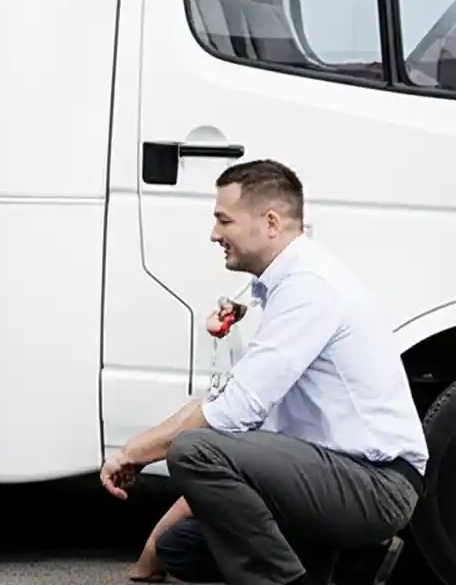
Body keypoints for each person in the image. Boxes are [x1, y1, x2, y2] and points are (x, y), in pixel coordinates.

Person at [100, 159, 429, 585]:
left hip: (374, 486)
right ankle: (352, 561)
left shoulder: (310, 287)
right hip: (326, 480)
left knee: (194, 450)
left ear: (270, 222)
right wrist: (147, 563)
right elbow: (230, 427)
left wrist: (137, 451)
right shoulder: (283, 288)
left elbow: (226, 419)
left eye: (223, 220)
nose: (214, 234)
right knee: (179, 547)